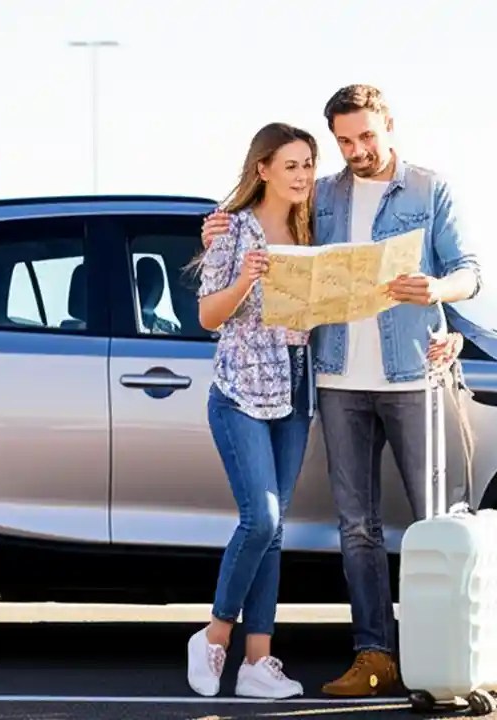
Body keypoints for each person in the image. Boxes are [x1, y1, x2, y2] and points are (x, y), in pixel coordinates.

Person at [200, 84, 482, 698]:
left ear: (388, 125)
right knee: (357, 528)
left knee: (434, 522)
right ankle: (373, 655)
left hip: (409, 377)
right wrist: (217, 231)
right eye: (344, 141)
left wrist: (441, 303)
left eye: (365, 137)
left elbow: (468, 272)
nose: (355, 150)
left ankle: (442, 658)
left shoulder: (430, 189)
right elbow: (271, 234)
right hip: (333, 381)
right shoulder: (322, 193)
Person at [185, 121, 320, 700]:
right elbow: (208, 317)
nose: (302, 175)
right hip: (240, 389)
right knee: (260, 519)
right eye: (290, 165)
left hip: (295, 390)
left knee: (275, 531)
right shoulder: (231, 228)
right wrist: (244, 277)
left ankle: (257, 663)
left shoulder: (314, 230)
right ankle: (214, 636)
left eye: (309, 164)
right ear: (262, 169)